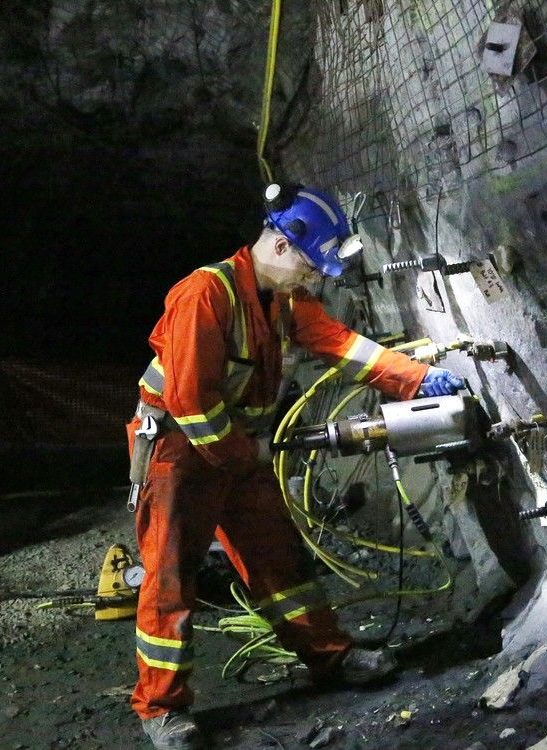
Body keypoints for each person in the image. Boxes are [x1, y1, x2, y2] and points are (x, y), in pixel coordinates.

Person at [127, 184, 464, 750]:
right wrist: (244, 456)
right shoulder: (204, 295)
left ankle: (331, 658)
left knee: (276, 558)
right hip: (176, 455)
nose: (317, 280)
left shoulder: (281, 298)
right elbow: (189, 403)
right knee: (169, 579)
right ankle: (161, 708)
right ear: (280, 246)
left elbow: (337, 343)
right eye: (312, 267)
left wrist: (413, 378)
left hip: (236, 449)